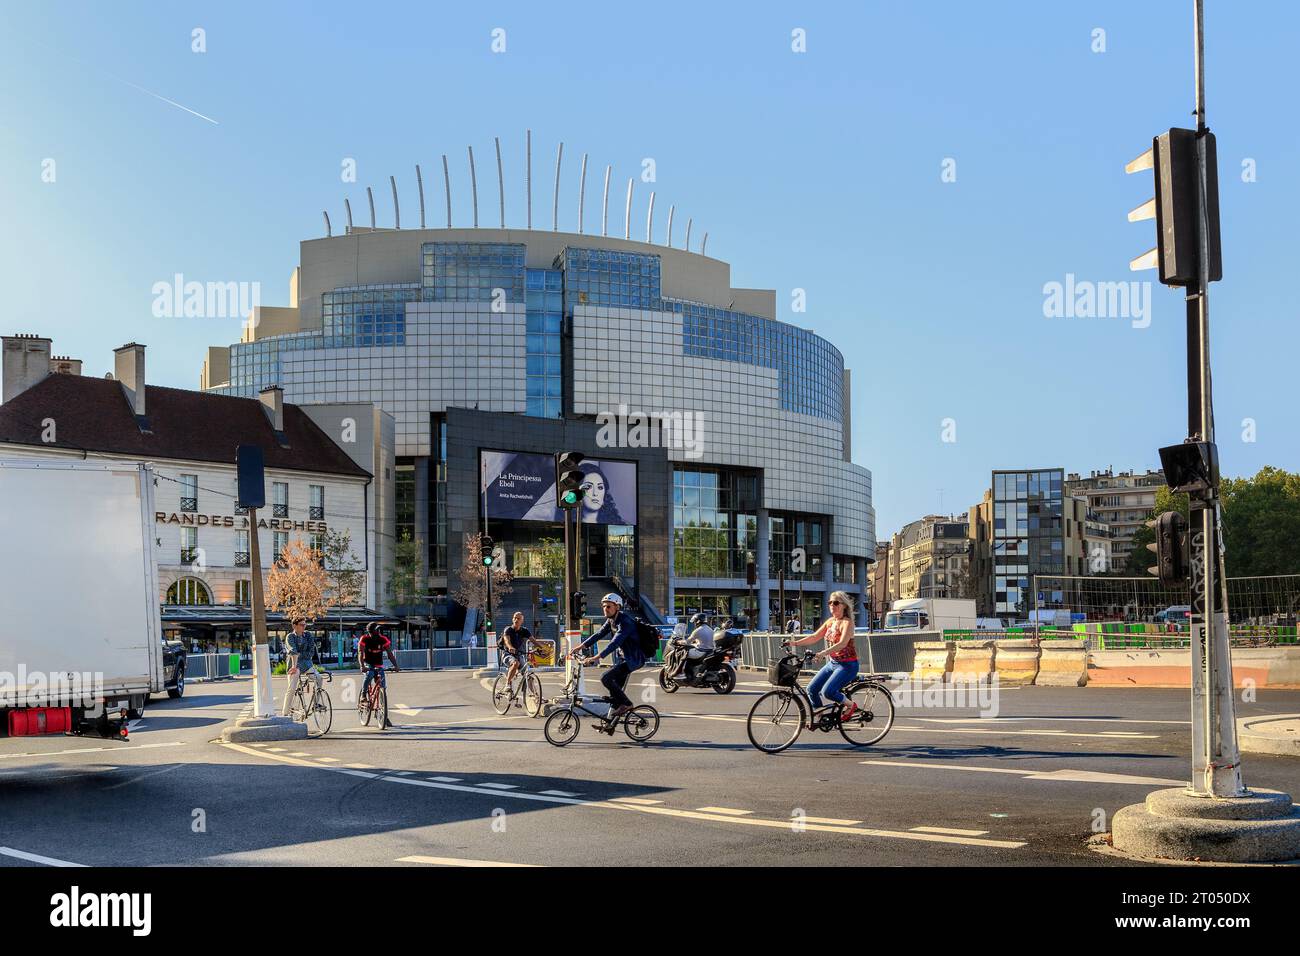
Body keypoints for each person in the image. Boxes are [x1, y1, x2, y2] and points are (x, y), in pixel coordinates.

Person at [788, 591, 860, 722]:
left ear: (844, 605)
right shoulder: (830, 622)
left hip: (848, 665)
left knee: (828, 691)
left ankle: (850, 705)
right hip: (833, 663)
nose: (832, 605)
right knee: (811, 689)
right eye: (830, 603)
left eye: (836, 603)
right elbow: (814, 637)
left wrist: (823, 653)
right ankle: (821, 719)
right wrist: (794, 643)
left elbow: (842, 644)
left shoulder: (847, 623)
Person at [572, 593, 644, 722]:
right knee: (615, 694)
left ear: (617, 607)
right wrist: (580, 646)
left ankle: (627, 704)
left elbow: (615, 643)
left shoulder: (625, 622)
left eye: (609, 606)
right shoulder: (612, 620)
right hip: (624, 659)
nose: (605, 608)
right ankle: (610, 724)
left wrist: (597, 657)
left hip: (633, 659)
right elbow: (599, 634)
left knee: (605, 678)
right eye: (604, 606)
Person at [358, 621, 401, 728]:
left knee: (382, 688)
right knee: (369, 674)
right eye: (376, 630)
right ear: (371, 632)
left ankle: (382, 714)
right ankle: (363, 695)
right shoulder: (364, 639)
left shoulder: (383, 639)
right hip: (368, 663)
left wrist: (396, 665)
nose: (379, 632)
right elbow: (360, 653)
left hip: (379, 664)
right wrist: (362, 666)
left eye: (379, 630)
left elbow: (389, 653)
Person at [281, 618, 322, 717]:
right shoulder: (290, 637)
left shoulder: (308, 635)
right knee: (292, 687)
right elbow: (293, 652)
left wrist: (302, 655)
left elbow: (311, 651)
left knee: (319, 678)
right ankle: (285, 713)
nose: (304, 626)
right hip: (293, 665)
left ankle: (316, 703)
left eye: (305, 625)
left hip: (307, 664)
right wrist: (295, 666)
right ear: (294, 626)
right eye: (301, 625)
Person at [500, 611, 535, 696]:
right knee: (516, 663)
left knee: (528, 676)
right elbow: (506, 640)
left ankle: (537, 696)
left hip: (518, 654)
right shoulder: (508, 629)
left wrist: (543, 648)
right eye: (514, 618)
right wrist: (510, 647)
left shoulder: (524, 631)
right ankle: (507, 684)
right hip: (507, 654)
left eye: (518, 618)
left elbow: (534, 640)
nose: (516, 620)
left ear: (522, 621)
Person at [680, 612, 715, 677]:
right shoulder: (710, 629)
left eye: (694, 621)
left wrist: (679, 642)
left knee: (683, 653)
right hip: (709, 651)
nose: (694, 623)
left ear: (697, 621)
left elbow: (687, 642)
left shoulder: (698, 630)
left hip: (701, 651)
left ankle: (683, 672)